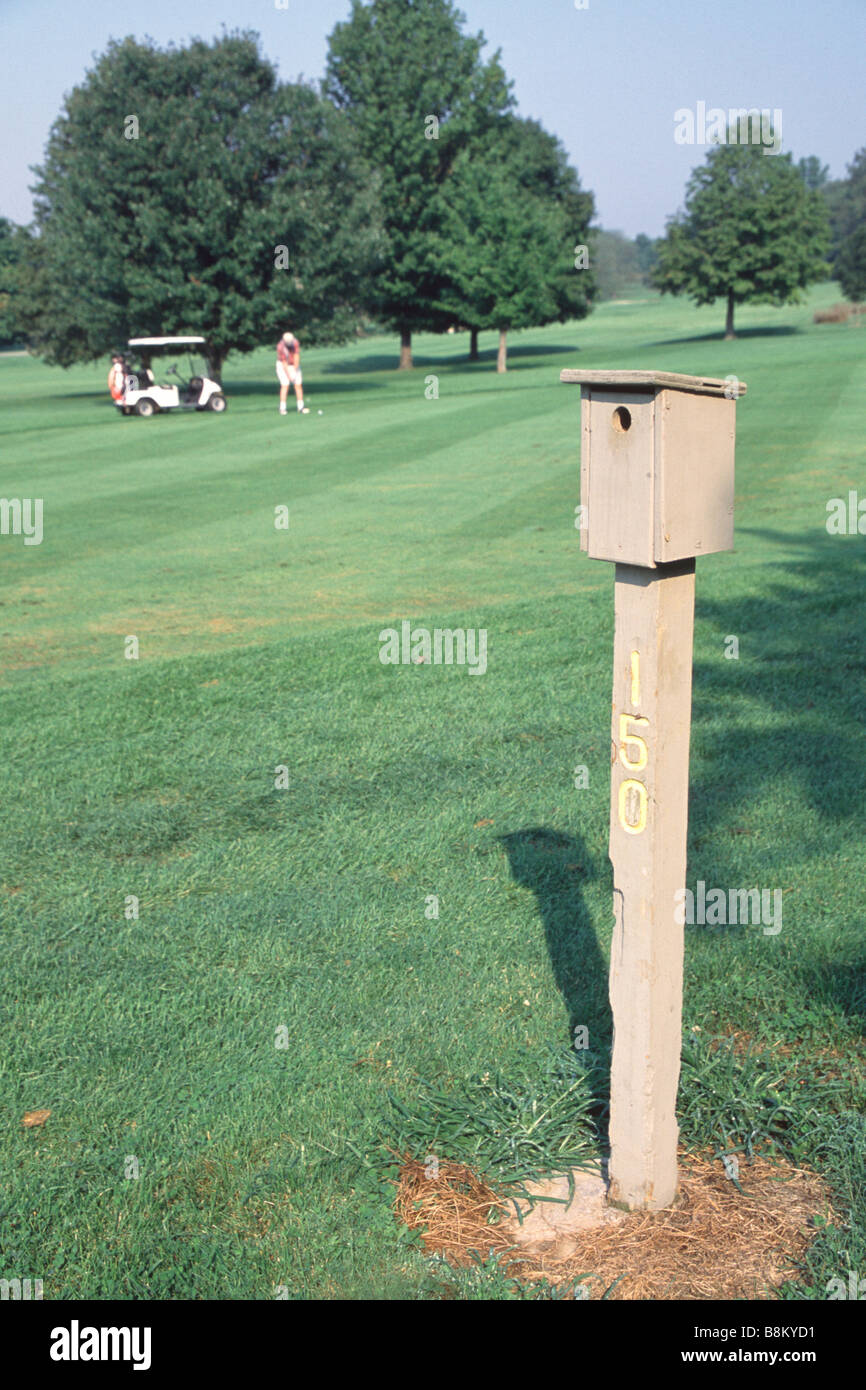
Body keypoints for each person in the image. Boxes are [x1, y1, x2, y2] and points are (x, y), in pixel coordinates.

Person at [276, 331, 309, 415]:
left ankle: (301, 407)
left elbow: (296, 356)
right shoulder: (280, 347)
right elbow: (284, 363)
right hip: (282, 366)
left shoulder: (295, 342)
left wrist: (295, 370)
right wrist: (289, 375)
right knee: (285, 385)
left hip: (293, 365)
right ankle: (282, 408)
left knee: (298, 385)